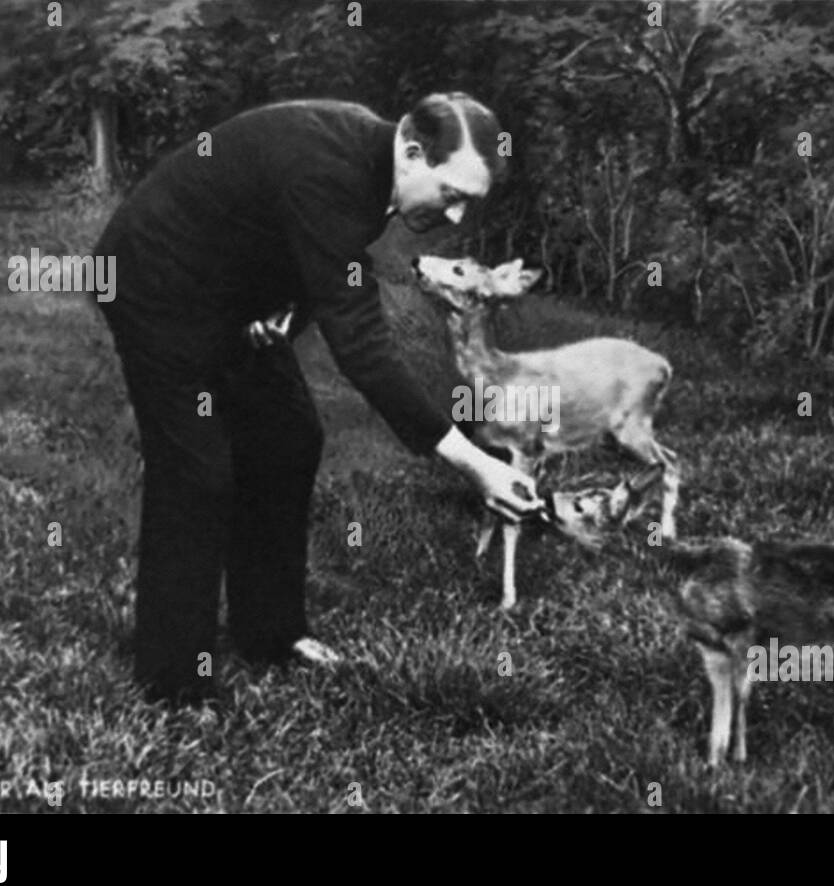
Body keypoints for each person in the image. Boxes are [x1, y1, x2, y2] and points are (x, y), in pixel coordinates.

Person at [92, 92, 541, 703]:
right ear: (412, 150)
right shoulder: (334, 168)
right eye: (453, 195)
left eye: (470, 203)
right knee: (197, 471)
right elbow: (363, 347)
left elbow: (309, 248)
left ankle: (271, 635)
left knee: (288, 438)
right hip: (153, 280)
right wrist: (475, 463)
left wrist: (285, 304)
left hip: (229, 291)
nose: (458, 218)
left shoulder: (374, 166)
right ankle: (174, 680)